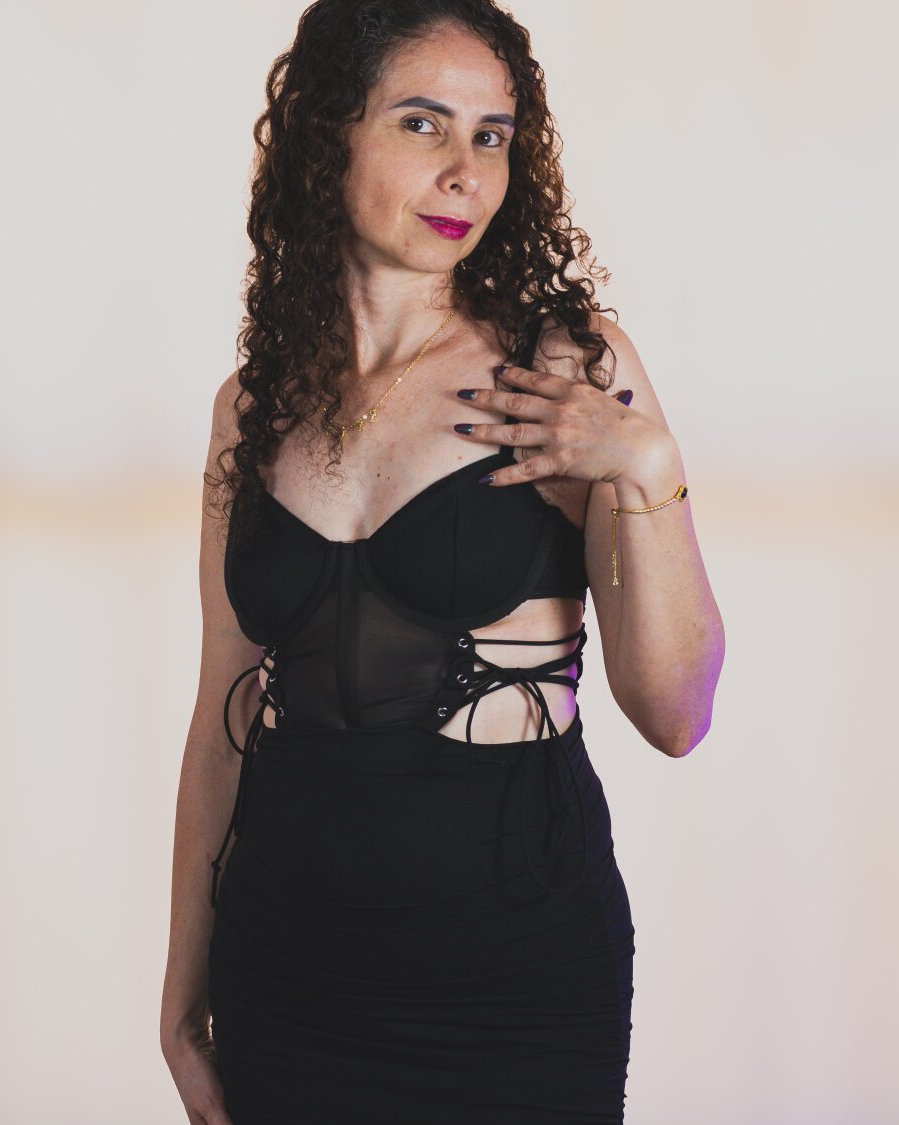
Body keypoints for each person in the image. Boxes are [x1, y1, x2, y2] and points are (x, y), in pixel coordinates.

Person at [161, 1, 725, 1122]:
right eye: (423, 124)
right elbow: (223, 701)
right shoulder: (253, 407)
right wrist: (182, 991)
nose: (466, 170)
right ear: (329, 134)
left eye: (492, 135)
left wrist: (646, 464)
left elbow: (677, 712)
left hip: (510, 978)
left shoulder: (563, 370)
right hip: (286, 968)